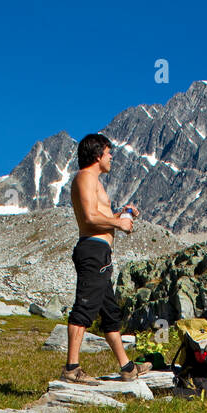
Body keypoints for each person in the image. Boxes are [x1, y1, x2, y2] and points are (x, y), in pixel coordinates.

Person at [62, 133, 150, 385]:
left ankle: (127, 367)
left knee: (110, 313)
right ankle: (71, 368)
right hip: (92, 250)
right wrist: (119, 223)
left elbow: (100, 213)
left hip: (101, 253)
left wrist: (121, 214)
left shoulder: (94, 181)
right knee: (85, 306)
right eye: (109, 153)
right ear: (98, 154)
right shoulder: (85, 177)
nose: (112, 157)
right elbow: (90, 217)